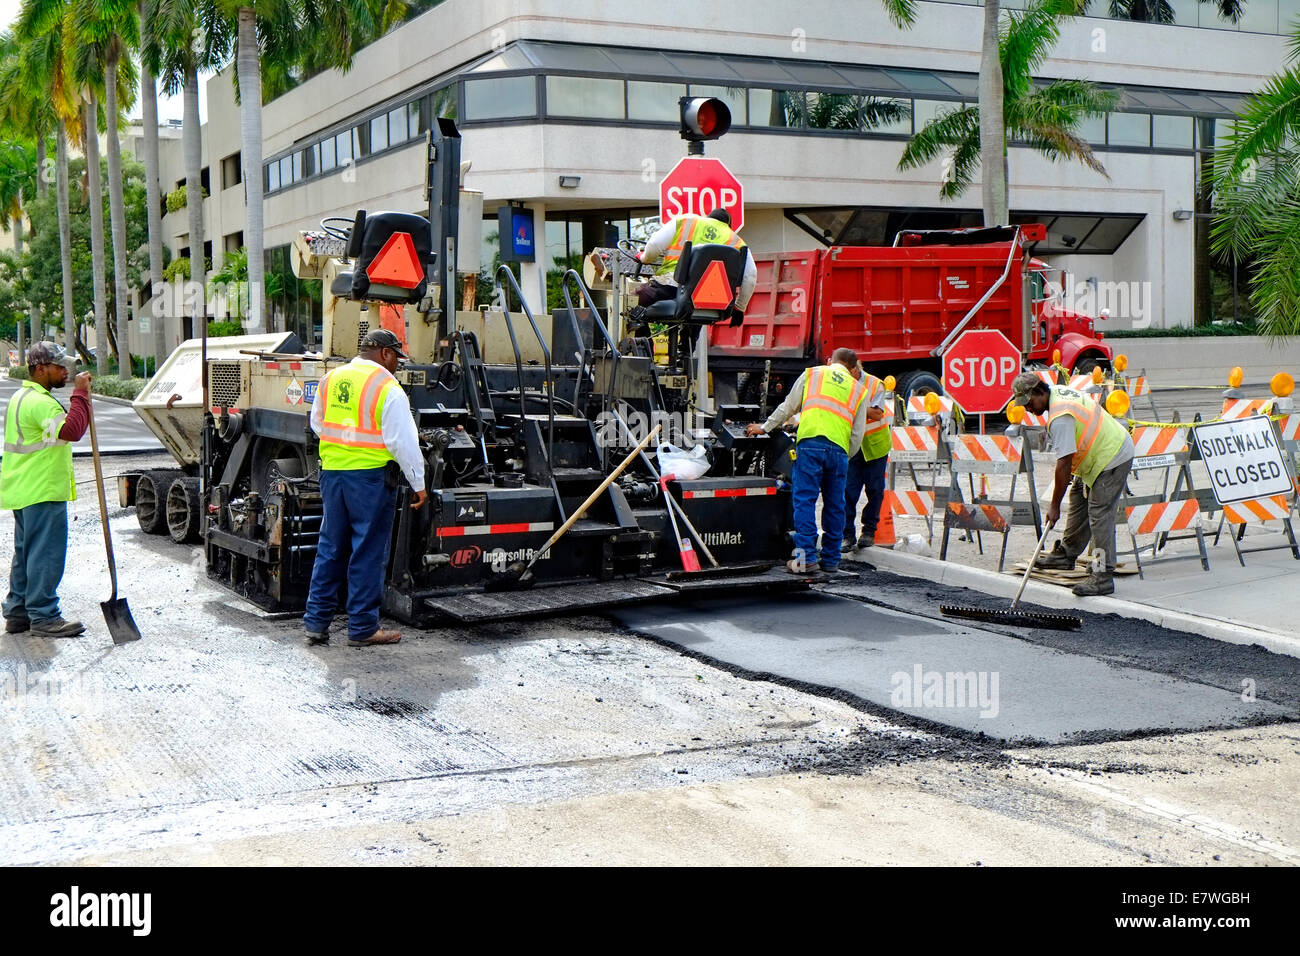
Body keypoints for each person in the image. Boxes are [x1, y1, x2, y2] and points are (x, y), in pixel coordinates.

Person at [303, 329, 428, 647]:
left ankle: (316, 623)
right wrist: (419, 483)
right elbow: (403, 443)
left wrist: (344, 446)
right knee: (367, 551)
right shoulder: (389, 388)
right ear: (385, 353)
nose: (397, 365)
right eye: (396, 358)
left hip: (332, 475)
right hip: (369, 481)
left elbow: (318, 422)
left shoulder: (332, 378)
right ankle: (361, 629)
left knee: (330, 548)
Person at [1010, 371, 1134, 596]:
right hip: (1097, 456)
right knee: (1078, 496)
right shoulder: (1057, 393)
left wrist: (1054, 506)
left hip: (1113, 456)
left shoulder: (1060, 417)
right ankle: (1067, 554)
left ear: (1039, 392)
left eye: (1028, 402)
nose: (1027, 408)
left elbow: (1064, 464)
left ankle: (1102, 575)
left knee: (1099, 514)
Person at [745, 348, 868, 573]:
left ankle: (806, 559)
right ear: (852, 369)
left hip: (810, 446)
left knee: (804, 501)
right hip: (839, 451)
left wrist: (764, 427)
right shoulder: (859, 389)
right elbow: (858, 433)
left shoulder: (813, 374)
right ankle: (830, 560)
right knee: (835, 505)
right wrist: (844, 455)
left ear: (831, 361)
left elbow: (788, 407)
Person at [1, 342, 93, 637]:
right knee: (46, 554)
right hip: (42, 488)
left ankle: (18, 613)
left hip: (25, 488)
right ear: (40, 369)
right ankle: (44, 616)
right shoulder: (40, 402)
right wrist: (80, 394)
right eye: (59, 366)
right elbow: (72, 431)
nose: (65, 371)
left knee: (27, 554)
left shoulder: (21, 396)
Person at [635, 209, 758, 319]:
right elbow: (750, 276)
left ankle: (642, 343)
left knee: (634, 302)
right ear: (728, 226)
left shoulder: (685, 221)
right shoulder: (737, 241)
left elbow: (654, 246)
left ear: (707, 218)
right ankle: (687, 342)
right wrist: (739, 308)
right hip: (710, 297)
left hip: (672, 285)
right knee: (696, 312)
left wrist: (644, 258)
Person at [842, 366, 891, 550]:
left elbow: (877, 413)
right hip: (852, 446)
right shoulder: (841, 382)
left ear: (855, 369)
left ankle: (869, 531)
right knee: (847, 492)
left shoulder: (874, 383)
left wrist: (853, 408)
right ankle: (847, 536)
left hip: (875, 447)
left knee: (875, 490)